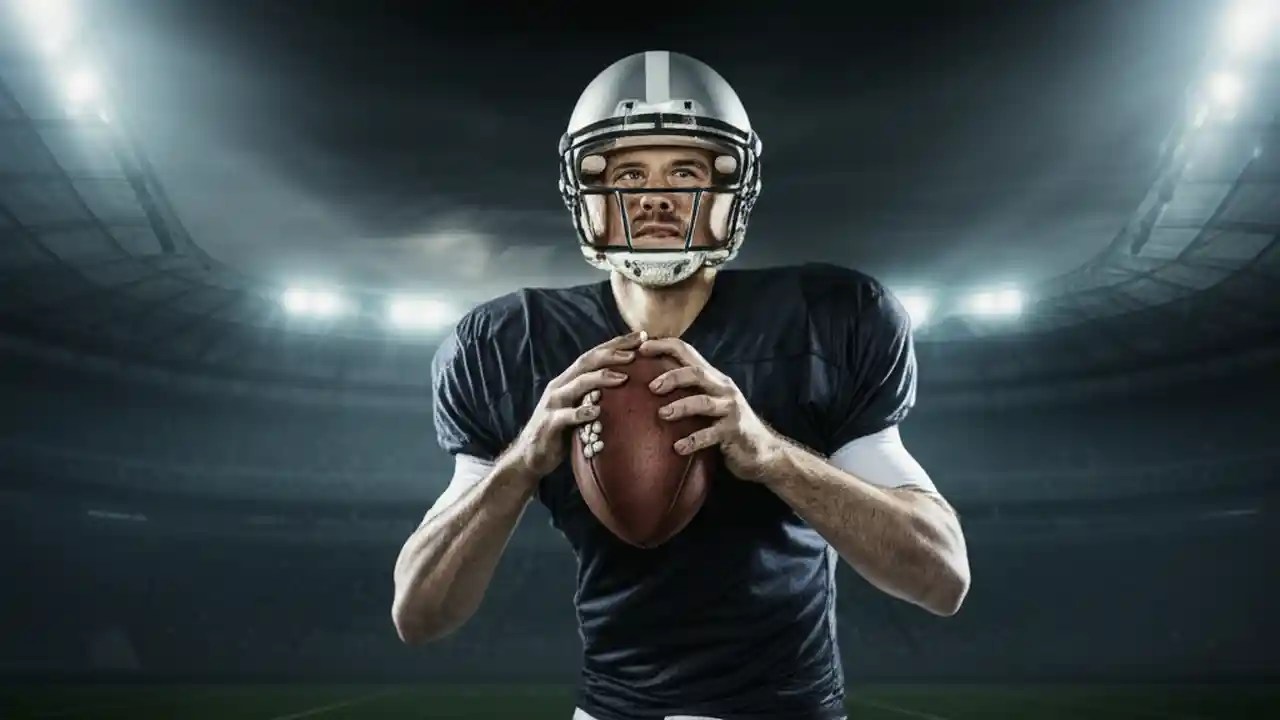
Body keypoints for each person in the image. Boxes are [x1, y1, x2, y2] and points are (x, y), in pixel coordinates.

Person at [393, 50, 970, 720]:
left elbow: (942, 576)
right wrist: (521, 463)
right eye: (630, 173)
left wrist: (774, 457)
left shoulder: (825, 321)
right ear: (587, 193)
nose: (659, 196)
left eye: (686, 171)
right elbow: (419, 612)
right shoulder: (512, 345)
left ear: (732, 189)